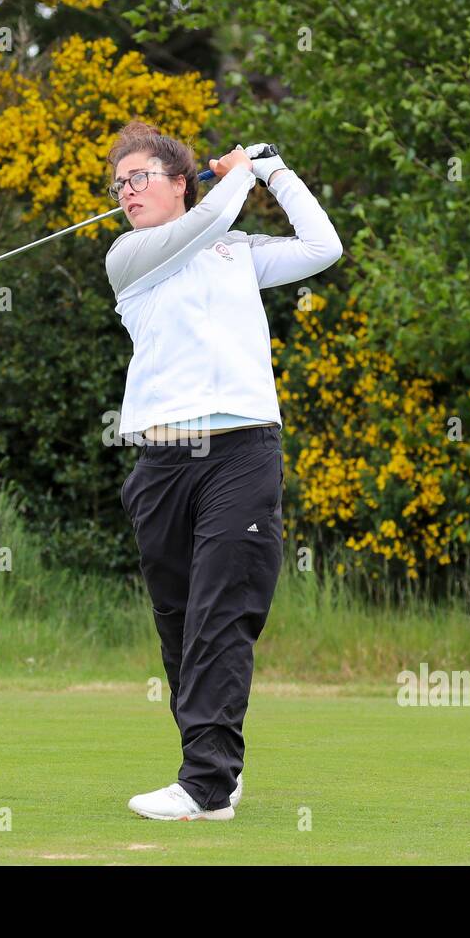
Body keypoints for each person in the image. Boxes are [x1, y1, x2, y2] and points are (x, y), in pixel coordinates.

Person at [105, 121, 342, 821]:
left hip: (240, 449)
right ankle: (215, 765)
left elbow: (323, 247)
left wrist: (273, 170)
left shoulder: (237, 251)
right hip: (160, 460)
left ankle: (206, 786)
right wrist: (241, 171)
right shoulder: (132, 255)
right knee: (179, 622)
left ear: (181, 182)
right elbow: (210, 217)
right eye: (119, 184)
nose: (126, 192)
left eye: (140, 177)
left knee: (219, 615)